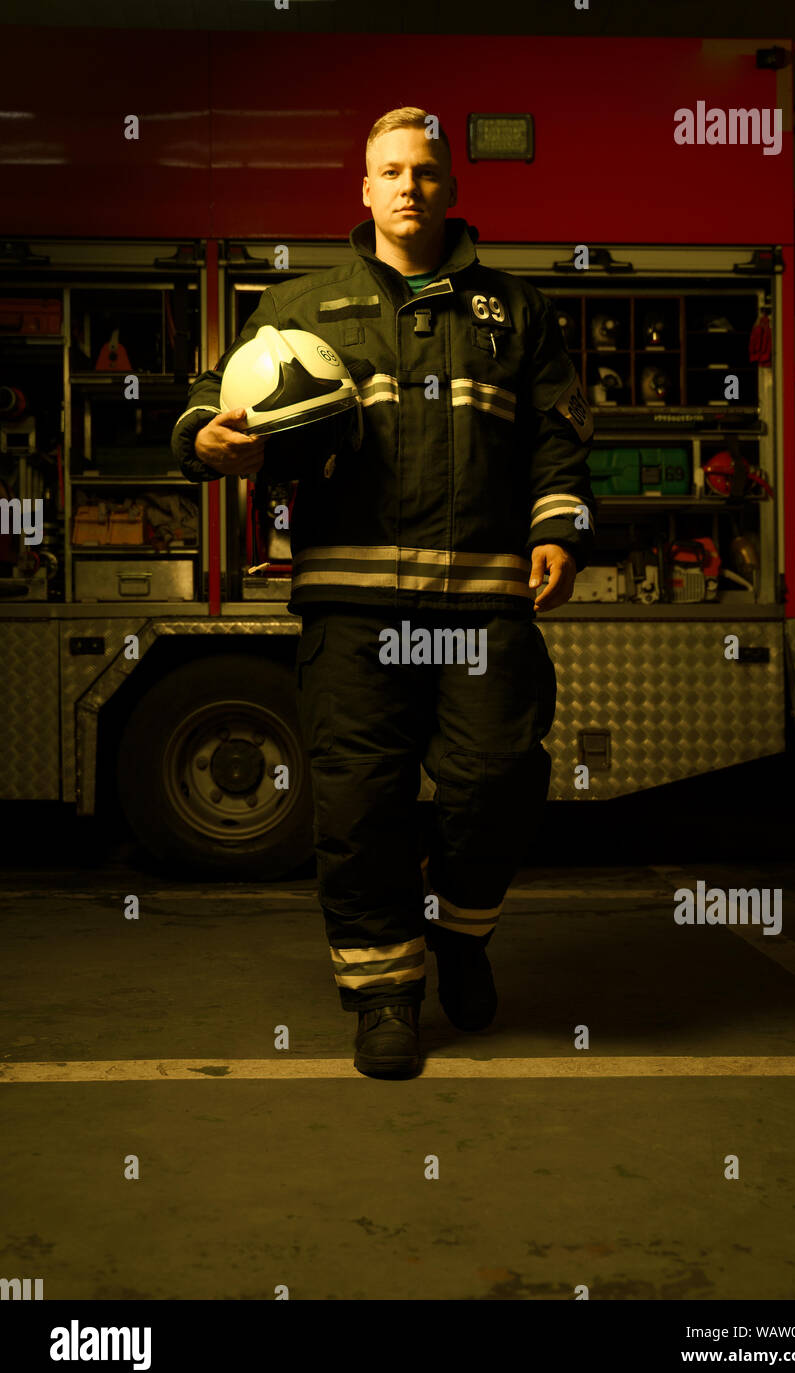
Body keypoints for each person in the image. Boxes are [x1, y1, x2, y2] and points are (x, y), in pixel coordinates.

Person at [171, 106, 597, 1080]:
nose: (408, 187)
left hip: (483, 614)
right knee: (359, 810)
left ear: (452, 188)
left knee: (492, 788)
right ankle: (384, 995)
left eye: (426, 172)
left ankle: (460, 933)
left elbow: (557, 441)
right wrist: (201, 438)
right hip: (355, 619)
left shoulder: (517, 314)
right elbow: (213, 393)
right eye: (389, 171)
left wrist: (557, 532)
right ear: (362, 190)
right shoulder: (298, 311)